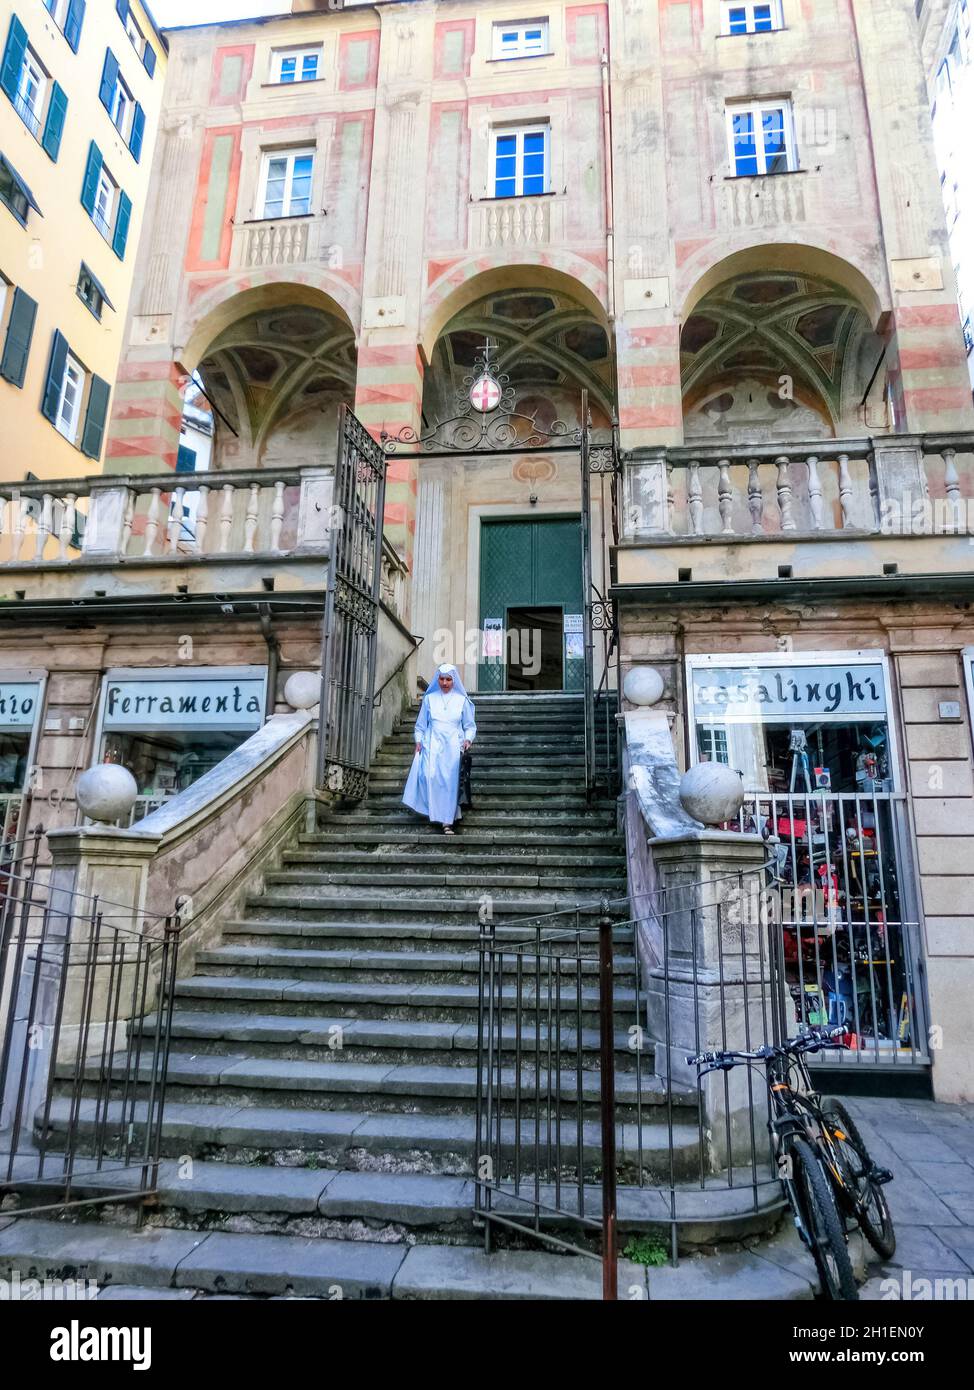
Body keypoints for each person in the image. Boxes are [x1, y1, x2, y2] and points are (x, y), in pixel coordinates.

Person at [402, 664, 476, 835]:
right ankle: (435, 812)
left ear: (454, 680)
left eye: (448, 679)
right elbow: (421, 725)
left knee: (449, 783)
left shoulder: (461, 700)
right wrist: (419, 740)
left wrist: (467, 739)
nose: (444, 683)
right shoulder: (429, 699)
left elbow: (470, 726)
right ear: (438, 679)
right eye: (442, 679)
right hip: (431, 744)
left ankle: (446, 821)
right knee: (429, 776)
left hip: (452, 746)